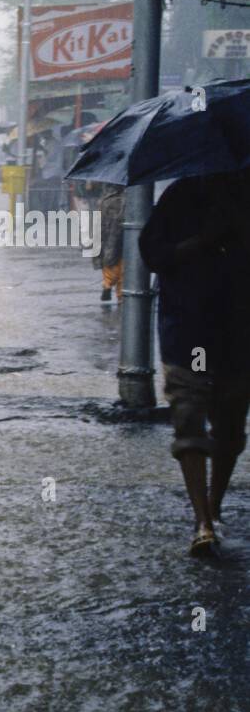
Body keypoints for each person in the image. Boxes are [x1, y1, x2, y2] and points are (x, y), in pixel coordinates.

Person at [139, 168, 250, 556]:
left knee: (231, 425)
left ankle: (214, 507)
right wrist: (204, 241)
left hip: (239, 333)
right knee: (189, 411)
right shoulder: (181, 196)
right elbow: (153, 254)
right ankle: (202, 520)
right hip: (191, 332)